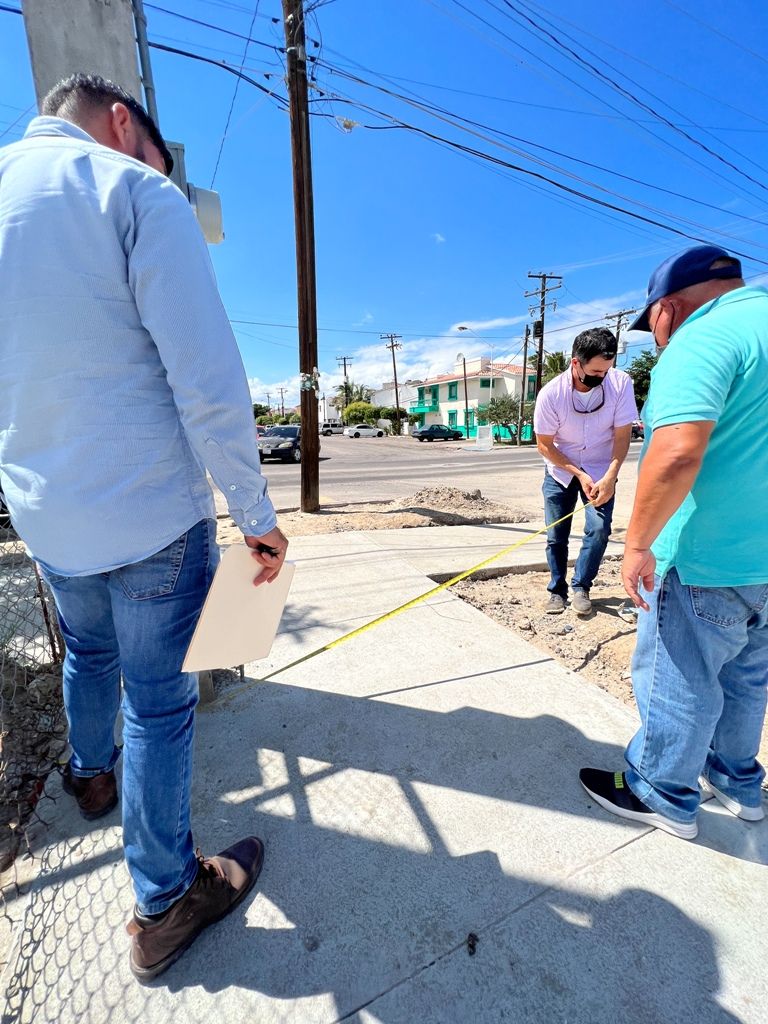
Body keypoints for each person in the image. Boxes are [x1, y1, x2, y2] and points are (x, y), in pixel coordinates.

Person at [0, 74, 289, 981]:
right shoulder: (130, 189)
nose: (163, 170)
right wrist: (257, 516)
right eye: (161, 154)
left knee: (87, 655)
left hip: (46, 513)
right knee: (158, 706)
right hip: (149, 514)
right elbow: (206, 374)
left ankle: (91, 777)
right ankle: (165, 900)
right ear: (123, 123)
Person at [580, 244, 768, 839]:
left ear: (667, 308)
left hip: (703, 555)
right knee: (747, 678)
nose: (654, 338)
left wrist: (637, 546)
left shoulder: (704, 339)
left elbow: (678, 451)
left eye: (651, 325)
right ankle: (737, 780)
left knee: (681, 674)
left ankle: (662, 789)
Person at [533, 329, 638, 616]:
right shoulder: (551, 394)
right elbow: (544, 445)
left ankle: (582, 586)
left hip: (603, 470)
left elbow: (622, 436)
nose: (601, 377)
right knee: (556, 534)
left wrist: (611, 476)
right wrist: (578, 474)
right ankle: (557, 590)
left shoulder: (620, 384)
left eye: (606, 370)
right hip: (561, 471)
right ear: (575, 362)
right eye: (594, 371)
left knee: (600, 528)